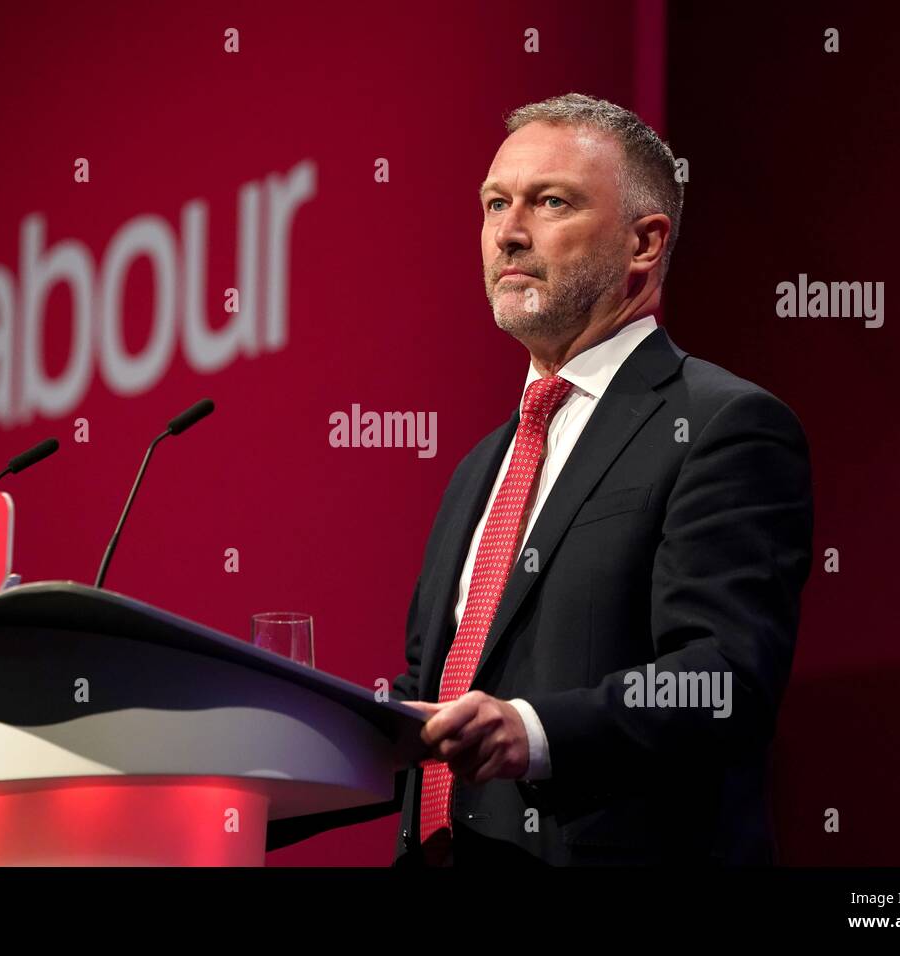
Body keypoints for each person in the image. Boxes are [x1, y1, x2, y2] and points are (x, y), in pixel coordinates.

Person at [266, 93, 813, 866]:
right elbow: (439, 701)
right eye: (495, 203)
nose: (509, 233)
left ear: (645, 244)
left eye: (550, 201)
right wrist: (272, 760)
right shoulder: (478, 469)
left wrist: (531, 730)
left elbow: (722, 682)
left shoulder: (724, 426)